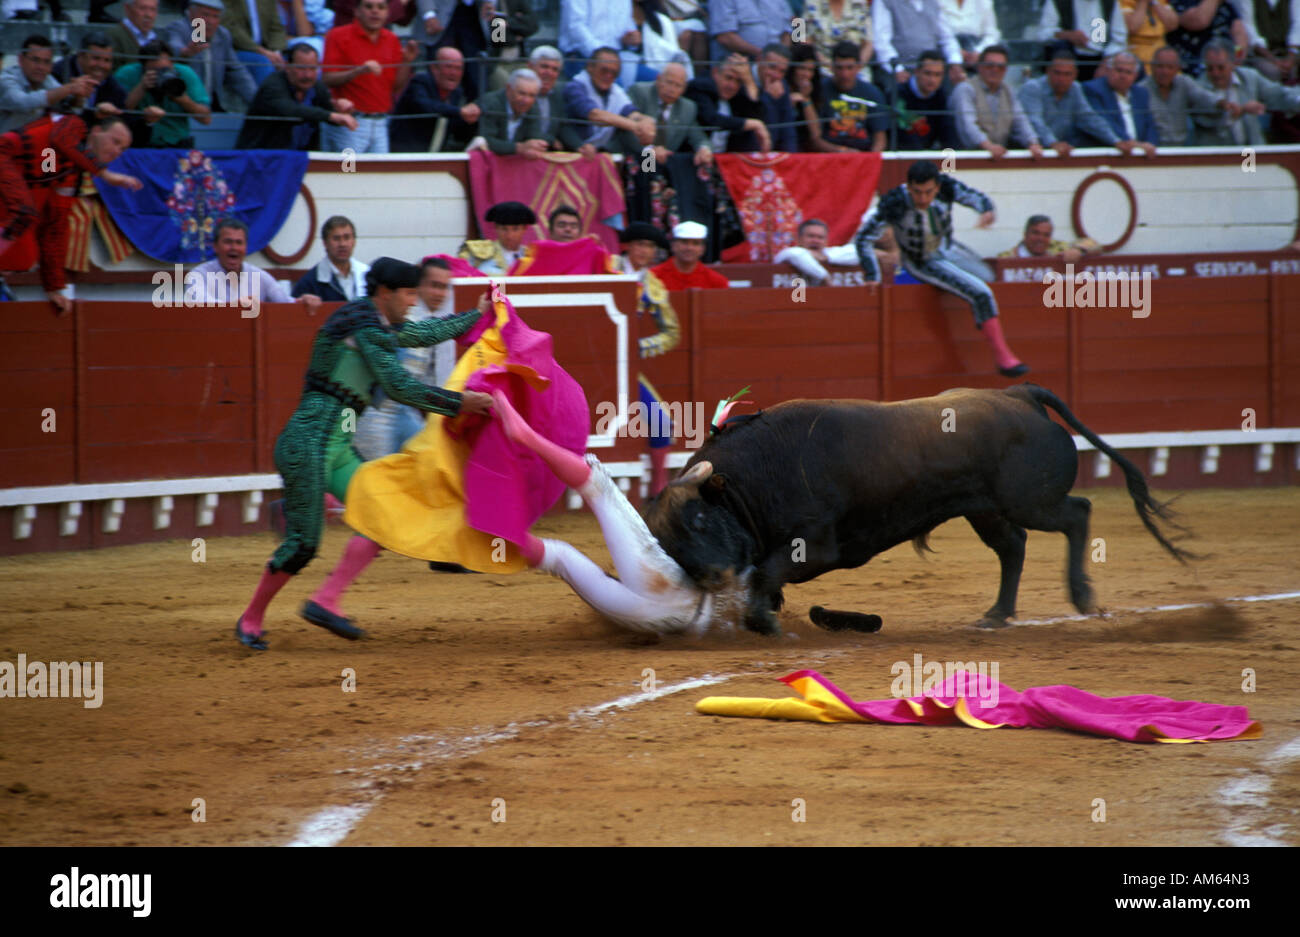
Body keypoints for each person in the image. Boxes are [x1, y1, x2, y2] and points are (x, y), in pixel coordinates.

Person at [234, 257, 494, 650]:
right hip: (308, 444)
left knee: (382, 518)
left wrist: (474, 315)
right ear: (385, 292)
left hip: (335, 447)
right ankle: (251, 618)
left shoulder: (373, 322)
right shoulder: (364, 325)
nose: (413, 301)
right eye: (408, 293)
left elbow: (423, 332)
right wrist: (460, 403)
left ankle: (326, 600)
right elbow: (398, 386)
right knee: (304, 545)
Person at [492, 389, 745, 635]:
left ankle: (525, 438)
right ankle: (490, 521)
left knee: (598, 489)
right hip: (655, 618)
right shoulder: (754, 582)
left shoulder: (747, 547)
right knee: (558, 557)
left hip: (671, 587)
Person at [853, 159, 1029, 377]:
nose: (923, 198)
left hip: (948, 249)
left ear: (937, 186)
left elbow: (977, 197)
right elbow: (863, 239)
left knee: (988, 275)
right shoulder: (895, 203)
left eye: (928, 192)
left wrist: (986, 210)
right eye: (917, 192)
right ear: (908, 187)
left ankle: (979, 331)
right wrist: (872, 274)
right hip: (922, 260)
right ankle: (1004, 359)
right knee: (981, 292)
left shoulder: (947, 187)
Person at [0, 114, 141, 315]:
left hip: (9, 194)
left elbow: (53, 229)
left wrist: (54, 288)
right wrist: (104, 173)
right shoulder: (75, 124)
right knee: (25, 214)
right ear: (96, 131)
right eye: (115, 141)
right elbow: (59, 140)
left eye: (123, 148)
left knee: (26, 254)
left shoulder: (66, 174)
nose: (117, 151)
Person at [615, 221, 680, 494]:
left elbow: (672, 333)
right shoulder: (604, 266)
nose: (644, 250)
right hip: (579, 357)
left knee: (661, 419)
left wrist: (640, 347)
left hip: (621, 364)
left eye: (650, 246)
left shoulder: (653, 287)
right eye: (640, 244)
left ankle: (659, 487)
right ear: (627, 245)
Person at [321, 0, 419, 153]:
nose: (375, 11)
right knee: (348, 173)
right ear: (357, 11)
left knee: (379, 175)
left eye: (381, 7)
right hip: (349, 123)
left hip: (381, 123)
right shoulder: (337, 35)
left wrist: (406, 62)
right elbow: (327, 79)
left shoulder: (392, 39)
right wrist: (357, 71)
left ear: (387, 13)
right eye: (369, 6)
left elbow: (395, 87)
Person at [235, 42, 358, 150]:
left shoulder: (316, 86)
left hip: (302, 159)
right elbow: (291, 110)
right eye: (301, 68)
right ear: (288, 67)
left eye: (312, 69)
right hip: (261, 158)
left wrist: (342, 110)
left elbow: (332, 116)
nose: (308, 75)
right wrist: (331, 115)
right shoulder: (272, 85)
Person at [1020, 48, 1137, 154]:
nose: (1061, 79)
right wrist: (1053, 143)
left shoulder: (1075, 88)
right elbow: (1035, 122)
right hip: (1028, 151)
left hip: (1057, 151)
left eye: (1067, 74)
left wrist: (1115, 141)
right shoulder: (1033, 88)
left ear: (1075, 75)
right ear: (1048, 71)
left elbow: (1089, 119)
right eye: (1057, 73)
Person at [188, 217, 318, 311]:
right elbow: (201, 303)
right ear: (215, 246)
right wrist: (235, 306)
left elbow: (285, 302)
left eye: (239, 243)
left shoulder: (259, 276)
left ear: (246, 248)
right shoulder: (198, 275)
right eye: (228, 242)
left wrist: (303, 300)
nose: (234, 247)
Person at [1193, 36, 1300, 143]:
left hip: (1250, 150)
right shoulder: (1198, 88)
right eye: (1210, 68)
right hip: (1216, 155)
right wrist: (1243, 110)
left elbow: (1278, 94)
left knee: (1253, 158)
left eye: (1221, 68)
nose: (1215, 73)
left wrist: (1297, 99)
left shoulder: (1249, 77)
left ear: (1233, 63)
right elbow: (1208, 120)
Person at [950, 44, 1045, 157]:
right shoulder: (965, 89)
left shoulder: (1008, 91)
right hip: (964, 157)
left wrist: (1033, 143)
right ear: (979, 66)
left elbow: (1020, 121)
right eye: (990, 65)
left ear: (1006, 70)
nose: (995, 70)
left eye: (1001, 67)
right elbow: (968, 126)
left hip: (997, 156)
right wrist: (988, 146)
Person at [163, 1, 259, 113]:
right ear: (191, 14)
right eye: (205, 15)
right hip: (183, 105)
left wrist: (258, 101)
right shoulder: (178, 28)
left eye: (216, 16)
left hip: (212, 106)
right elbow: (173, 46)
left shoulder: (223, 35)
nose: (210, 21)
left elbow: (238, 73)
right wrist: (185, 53)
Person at [116, 40, 213, 149]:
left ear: (172, 63)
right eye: (154, 71)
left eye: (164, 70)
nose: (160, 75)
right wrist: (141, 88)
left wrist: (183, 99)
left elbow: (206, 119)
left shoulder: (185, 74)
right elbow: (117, 113)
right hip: (138, 143)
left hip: (177, 143)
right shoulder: (127, 74)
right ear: (143, 67)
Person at [560, 47, 652, 157]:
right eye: (604, 70)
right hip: (570, 151)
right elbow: (595, 115)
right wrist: (635, 126)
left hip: (597, 154)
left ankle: (650, 171)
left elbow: (631, 113)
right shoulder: (575, 86)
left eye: (614, 73)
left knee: (649, 147)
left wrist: (645, 121)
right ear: (590, 67)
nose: (608, 76)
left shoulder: (615, 91)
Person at [1, 36, 99, 135]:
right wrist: (69, 88)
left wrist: (79, 97)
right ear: (21, 59)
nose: (41, 67)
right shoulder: (6, 79)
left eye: (46, 62)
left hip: (30, 146)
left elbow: (67, 104)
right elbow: (23, 102)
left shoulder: (47, 80)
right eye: (35, 60)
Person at [391, 45, 481, 152]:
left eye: (458, 68)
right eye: (448, 67)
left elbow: (458, 132)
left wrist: (472, 118)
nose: (454, 73)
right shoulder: (420, 81)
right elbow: (424, 105)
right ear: (434, 68)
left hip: (435, 155)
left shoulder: (457, 93)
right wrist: (460, 112)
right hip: (405, 153)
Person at [1142, 43, 1232, 145]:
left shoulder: (1184, 82)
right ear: (1152, 67)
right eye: (1160, 66)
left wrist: (1220, 103)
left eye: (1170, 67)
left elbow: (1201, 95)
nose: (1165, 71)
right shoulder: (1142, 89)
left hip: (1181, 148)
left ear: (1177, 68)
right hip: (1153, 149)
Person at [685, 54, 771, 153]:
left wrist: (749, 81)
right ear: (715, 73)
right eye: (728, 78)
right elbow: (712, 119)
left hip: (727, 160)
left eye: (739, 81)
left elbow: (758, 117)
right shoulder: (699, 87)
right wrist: (754, 124)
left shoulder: (738, 94)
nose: (732, 86)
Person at [816, 40, 890, 152]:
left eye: (849, 68)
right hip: (828, 157)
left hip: (863, 156)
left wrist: (869, 161)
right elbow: (814, 138)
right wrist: (841, 151)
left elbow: (880, 139)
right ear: (832, 67)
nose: (845, 74)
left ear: (859, 67)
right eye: (840, 68)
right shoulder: (820, 90)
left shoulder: (872, 93)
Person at [1082, 51, 1160, 152]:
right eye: (1119, 70)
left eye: (1128, 72)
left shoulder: (1141, 93)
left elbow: (1150, 125)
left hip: (1141, 153)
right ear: (1108, 70)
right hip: (1110, 152)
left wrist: (1150, 144)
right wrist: (1134, 144)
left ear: (1135, 75)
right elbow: (1105, 122)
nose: (1123, 76)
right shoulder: (1093, 89)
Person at [873, 0, 966, 84]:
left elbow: (947, 38)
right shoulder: (885, 2)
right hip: (901, 69)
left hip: (932, 68)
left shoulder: (933, 2)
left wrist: (955, 62)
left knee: (956, 84)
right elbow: (881, 42)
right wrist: (897, 70)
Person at [1037, 0, 1131, 80]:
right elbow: (1043, 34)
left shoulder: (1109, 2)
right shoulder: (1058, 1)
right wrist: (1067, 35)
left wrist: (1105, 63)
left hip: (1100, 58)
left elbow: (1119, 38)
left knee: (1129, 66)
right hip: (1069, 55)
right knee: (1060, 46)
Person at [471, 67, 551, 157]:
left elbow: (533, 138)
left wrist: (536, 146)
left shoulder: (533, 108)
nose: (526, 100)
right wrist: (519, 148)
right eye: (522, 93)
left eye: (532, 95)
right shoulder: (491, 103)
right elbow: (485, 141)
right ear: (509, 89)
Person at [52, 32, 130, 122]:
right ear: (81, 56)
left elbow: (125, 120)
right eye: (96, 58)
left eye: (107, 60)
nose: (101, 65)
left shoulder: (115, 88)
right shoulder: (59, 74)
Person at [292, 215, 369, 302]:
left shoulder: (367, 274)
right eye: (336, 238)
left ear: (354, 241)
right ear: (325, 243)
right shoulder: (309, 283)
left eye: (347, 238)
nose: (342, 244)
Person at [894, 49, 958, 149]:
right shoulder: (898, 94)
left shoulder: (942, 96)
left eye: (937, 75)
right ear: (916, 72)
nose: (932, 80)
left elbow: (948, 135)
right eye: (928, 73)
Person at [1166, 0, 1250, 75]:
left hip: (1228, 67)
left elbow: (1239, 34)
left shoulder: (1227, 6)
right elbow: (1199, 21)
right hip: (1196, 69)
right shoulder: (1178, 3)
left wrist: (1236, 57)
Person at [774, 218, 865, 285]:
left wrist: (827, 258)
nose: (816, 241)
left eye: (820, 237)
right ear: (799, 239)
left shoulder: (829, 253)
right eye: (811, 236)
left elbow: (860, 252)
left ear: (827, 240)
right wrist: (824, 277)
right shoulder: (788, 253)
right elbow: (796, 254)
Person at [457, 199, 535, 273]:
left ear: (525, 228)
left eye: (515, 229)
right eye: (504, 229)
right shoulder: (478, 252)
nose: (509, 235)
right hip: (495, 287)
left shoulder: (533, 256)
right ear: (496, 228)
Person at [224, 0, 290, 87]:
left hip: (268, 49)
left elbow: (276, 27)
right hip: (238, 49)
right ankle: (269, 99)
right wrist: (262, 52)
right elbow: (230, 27)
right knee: (262, 62)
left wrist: (276, 53)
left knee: (296, 59)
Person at [652, 220, 730, 289]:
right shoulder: (654, 277)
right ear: (673, 246)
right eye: (684, 242)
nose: (689, 248)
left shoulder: (717, 282)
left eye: (695, 243)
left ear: (702, 249)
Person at [709, 0, 793, 61]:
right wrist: (763, 55)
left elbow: (787, 32)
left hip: (776, 65)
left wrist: (781, 56)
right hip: (740, 62)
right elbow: (725, 37)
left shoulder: (781, 1)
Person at [998, 214, 1098, 262]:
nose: (1040, 239)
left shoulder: (1057, 248)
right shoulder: (1008, 257)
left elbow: (1095, 244)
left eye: (1046, 235)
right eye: (1036, 233)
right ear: (1025, 234)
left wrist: (1079, 250)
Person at [941, 0, 1003, 66]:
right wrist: (955, 53)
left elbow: (992, 34)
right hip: (946, 53)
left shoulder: (984, 2)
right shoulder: (937, 2)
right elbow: (940, 34)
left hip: (977, 54)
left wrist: (978, 52)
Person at [1122, 0, 1181, 67]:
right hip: (1136, 48)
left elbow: (1173, 25)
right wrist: (1143, 2)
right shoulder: (1125, 1)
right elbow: (1132, 27)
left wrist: (1155, 2)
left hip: (1160, 48)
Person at [106, 0, 160, 71]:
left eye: (153, 9)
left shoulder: (157, 39)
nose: (148, 15)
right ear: (127, 9)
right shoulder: (114, 36)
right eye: (142, 8)